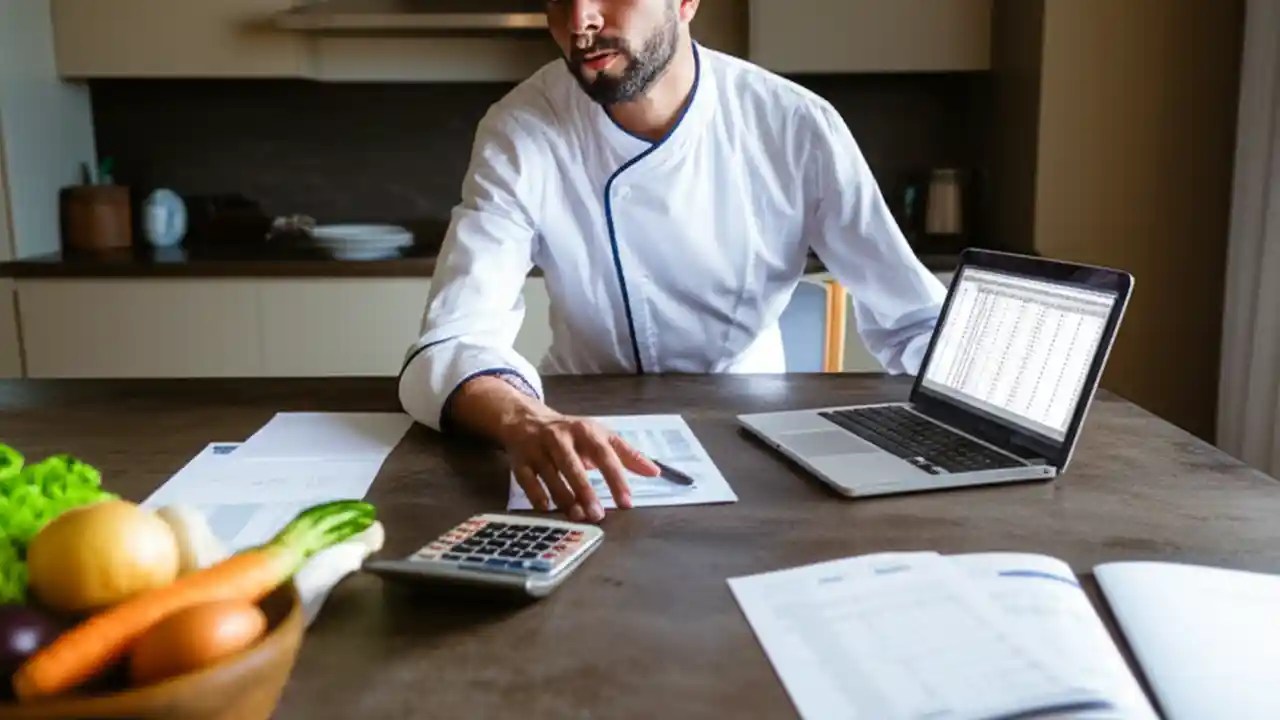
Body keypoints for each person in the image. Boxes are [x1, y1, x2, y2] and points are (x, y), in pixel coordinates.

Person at [398, 0, 946, 524]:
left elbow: (916, 318)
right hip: (578, 434)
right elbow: (454, 337)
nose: (580, 20)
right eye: (559, 0)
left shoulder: (794, 125)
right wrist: (526, 420)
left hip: (757, 437)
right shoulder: (524, 129)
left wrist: (998, 416)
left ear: (686, 2)